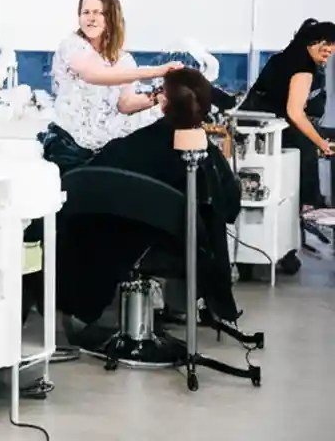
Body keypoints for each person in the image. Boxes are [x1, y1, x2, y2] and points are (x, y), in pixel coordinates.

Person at [62, 68, 242, 335]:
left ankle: (78, 311)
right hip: (194, 249)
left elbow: (94, 180)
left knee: (81, 224)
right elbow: (229, 209)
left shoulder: (136, 145)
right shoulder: (210, 155)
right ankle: (179, 303)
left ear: (164, 102)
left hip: (141, 242)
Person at [42, 0, 181, 173]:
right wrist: (156, 71)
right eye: (86, 12)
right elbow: (96, 75)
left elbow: (125, 104)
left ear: (110, 17)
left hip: (102, 148)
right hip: (67, 145)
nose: (91, 18)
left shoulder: (124, 60)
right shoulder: (72, 46)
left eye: (98, 12)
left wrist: (158, 98)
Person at [241, 19, 335, 210]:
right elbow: (294, 112)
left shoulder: (281, 58)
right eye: (326, 52)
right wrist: (321, 143)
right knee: (307, 148)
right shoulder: (304, 69)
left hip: (253, 121)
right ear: (315, 43)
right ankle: (309, 207)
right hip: (275, 126)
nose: (326, 58)